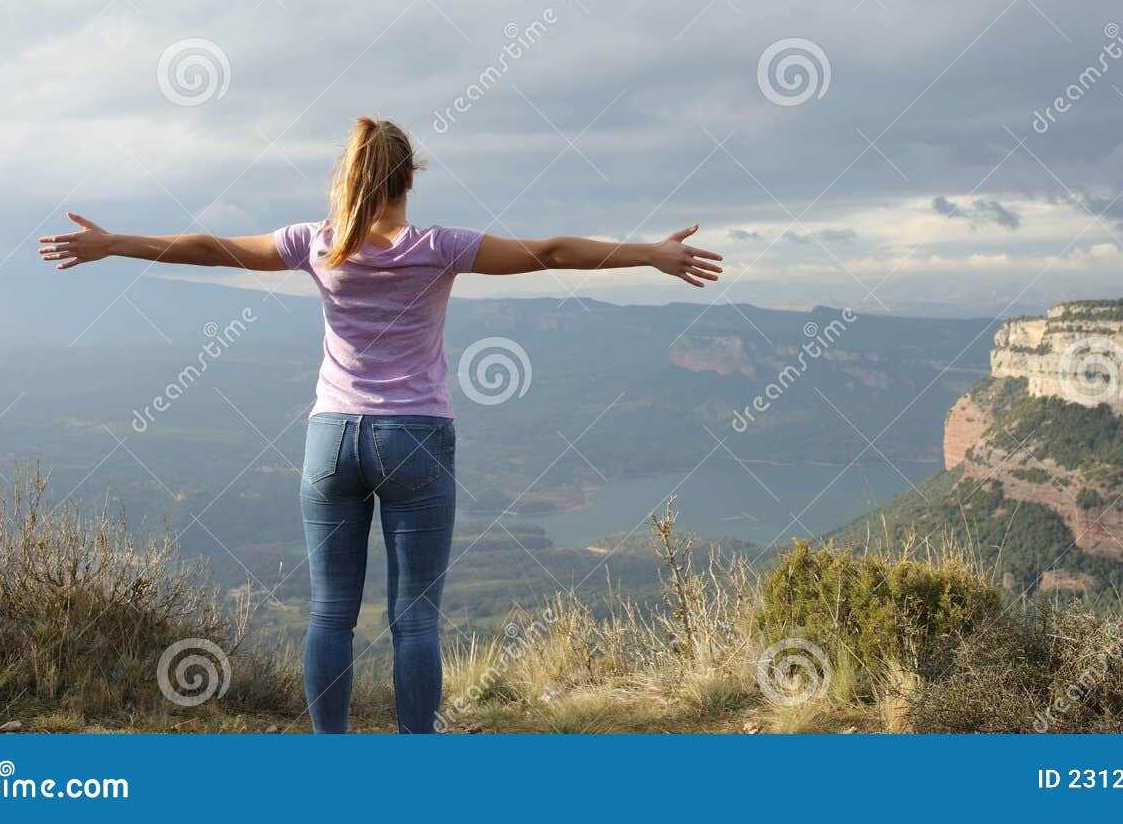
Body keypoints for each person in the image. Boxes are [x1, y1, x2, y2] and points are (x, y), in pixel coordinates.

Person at [39, 115, 723, 732]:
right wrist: (650, 253)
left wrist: (114, 243)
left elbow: (214, 248)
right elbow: (551, 252)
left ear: (352, 176)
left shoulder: (319, 241)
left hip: (331, 437)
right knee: (415, 618)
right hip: (415, 437)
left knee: (330, 613)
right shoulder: (437, 245)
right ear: (409, 180)